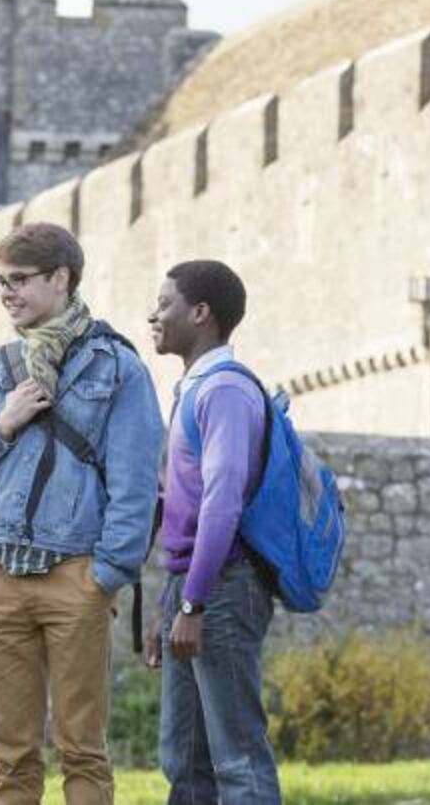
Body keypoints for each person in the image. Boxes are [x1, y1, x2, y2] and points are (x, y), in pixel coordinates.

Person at [0, 222, 165, 805]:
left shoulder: (118, 369)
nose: (7, 294)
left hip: (75, 577)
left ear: (61, 278)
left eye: (19, 281)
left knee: (82, 751)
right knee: (12, 757)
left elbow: (136, 486)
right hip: (2, 577)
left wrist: (104, 578)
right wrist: (4, 423)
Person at [142, 259, 282, 805]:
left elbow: (222, 504)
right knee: (185, 761)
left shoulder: (223, 390)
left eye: (164, 304)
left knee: (238, 759)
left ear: (200, 313)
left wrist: (194, 604)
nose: (153, 315)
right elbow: (184, 513)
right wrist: (170, 602)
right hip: (195, 589)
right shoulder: (193, 389)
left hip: (222, 588)